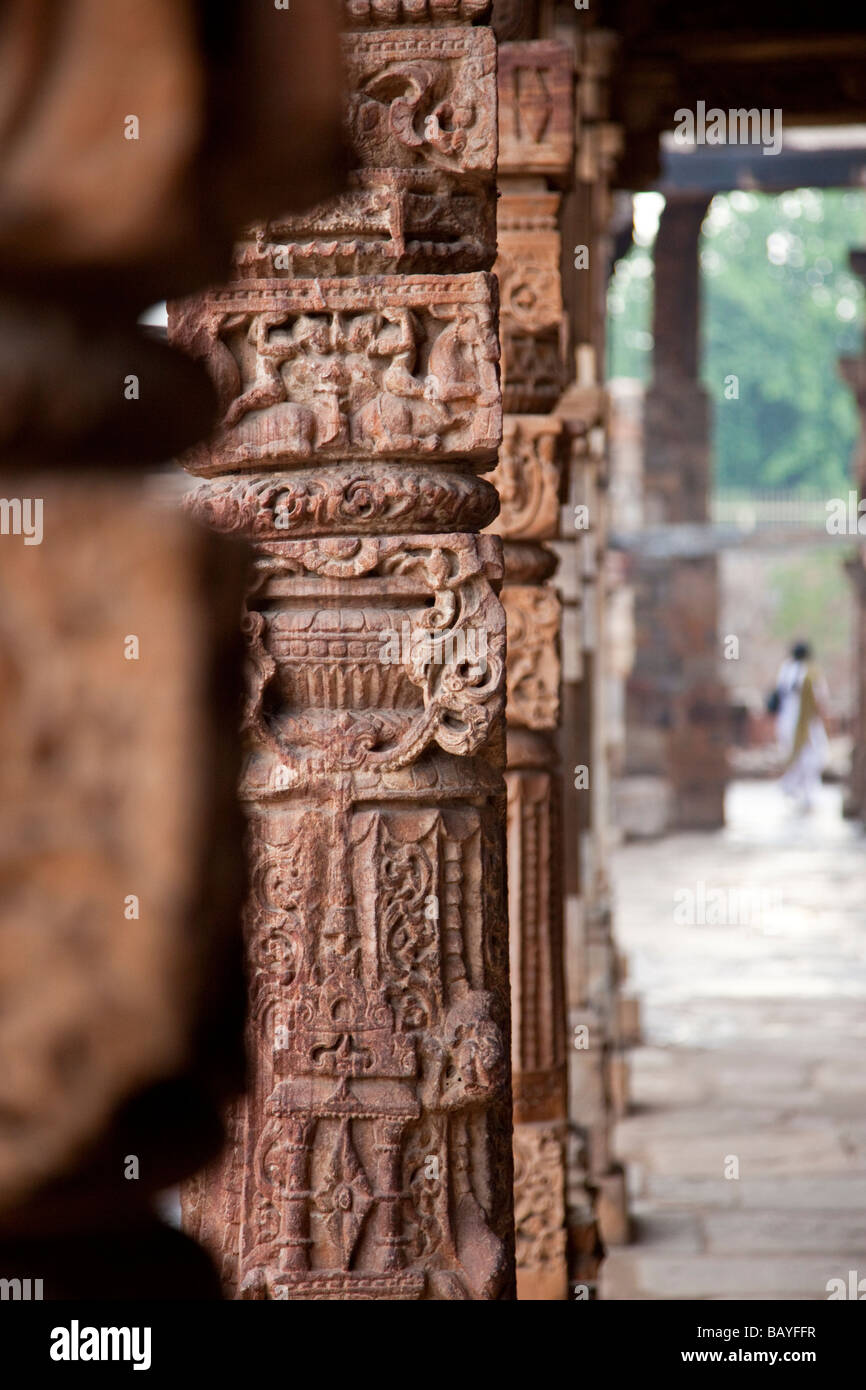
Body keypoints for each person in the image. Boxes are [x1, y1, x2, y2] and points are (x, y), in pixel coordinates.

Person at [772, 641, 829, 812]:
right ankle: (798, 789)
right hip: (801, 723)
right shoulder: (809, 672)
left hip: (794, 722)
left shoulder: (786, 669)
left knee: (804, 758)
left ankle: (796, 788)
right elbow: (820, 699)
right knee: (809, 757)